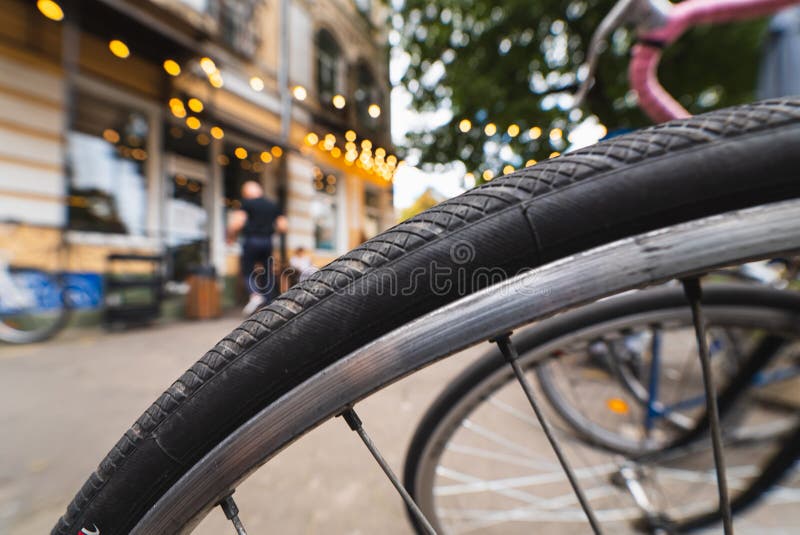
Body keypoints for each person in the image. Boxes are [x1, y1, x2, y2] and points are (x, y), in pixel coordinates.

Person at [227, 181, 288, 315]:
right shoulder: (272, 205)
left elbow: (237, 223)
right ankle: (269, 304)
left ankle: (255, 295)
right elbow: (283, 226)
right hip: (267, 241)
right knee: (267, 272)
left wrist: (231, 237)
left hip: (252, 240)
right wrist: (269, 231)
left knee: (248, 270)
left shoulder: (247, 203)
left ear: (247, 192)